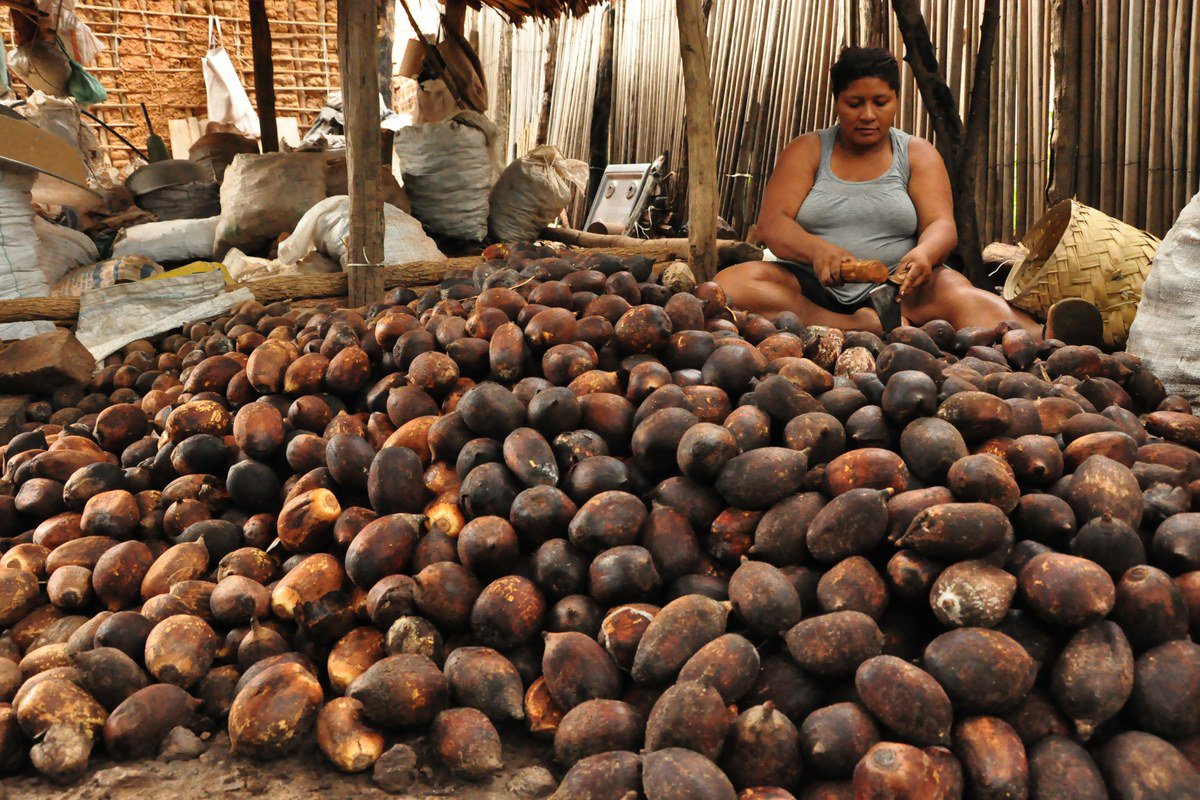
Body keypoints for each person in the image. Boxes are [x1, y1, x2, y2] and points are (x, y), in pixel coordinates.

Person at [714, 46, 1042, 337]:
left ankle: (1045, 332)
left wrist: (925, 254)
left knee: (960, 294)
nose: (868, 115)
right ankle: (854, 325)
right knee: (729, 285)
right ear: (837, 102)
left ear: (896, 99)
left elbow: (940, 224)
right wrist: (815, 250)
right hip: (810, 287)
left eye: (881, 102)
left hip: (900, 287)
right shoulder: (808, 150)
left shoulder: (916, 153)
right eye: (855, 103)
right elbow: (773, 223)